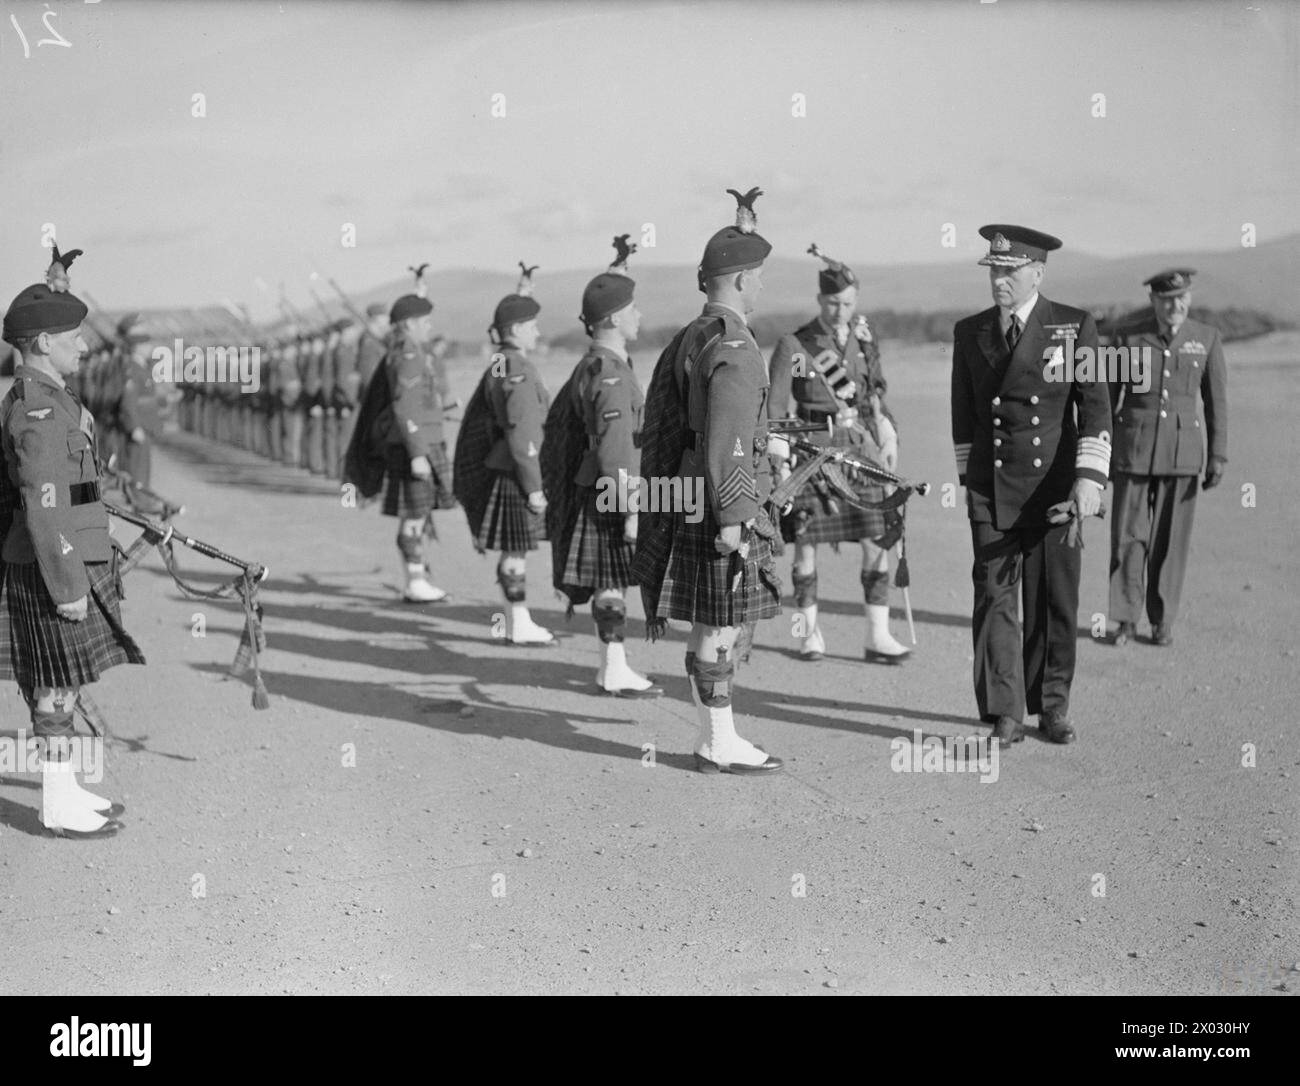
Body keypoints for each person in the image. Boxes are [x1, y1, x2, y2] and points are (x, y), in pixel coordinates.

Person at [635, 187, 787, 773]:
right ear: (744, 280)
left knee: (710, 622)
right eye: (761, 275)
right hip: (719, 503)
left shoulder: (692, 336)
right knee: (719, 625)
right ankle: (718, 742)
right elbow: (724, 439)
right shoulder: (737, 346)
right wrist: (736, 519)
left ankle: (714, 737)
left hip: (690, 492)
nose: (763, 285)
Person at [951, 224, 1111, 747]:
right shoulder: (969, 332)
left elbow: (1094, 407)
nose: (998, 280)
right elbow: (964, 416)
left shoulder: (1073, 326)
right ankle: (1005, 709)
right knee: (994, 599)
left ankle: (1052, 706)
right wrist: (969, 481)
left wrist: (1090, 479)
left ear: (1037, 273)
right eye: (994, 270)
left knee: (1052, 600)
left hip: (1054, 489)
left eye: (1009, 271)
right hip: (991, 488)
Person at [0, 274, 142, 838]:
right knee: (53, 685)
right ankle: (56, 803)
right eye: (72, 336)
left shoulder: (53, 400)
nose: (83, 345)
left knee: (63, 683)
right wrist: (67, 584)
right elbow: (43, 504)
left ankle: (65, 789)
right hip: (50, 566)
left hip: (67, 555)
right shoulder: (37, 412)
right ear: (41, 344)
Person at [768, 244, 908, 663]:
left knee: (876, 542)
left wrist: (886, 433)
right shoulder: (797, 347)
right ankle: (809, 634)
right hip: (814, 453)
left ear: (856, 301)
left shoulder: (865, 342)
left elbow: (874, 397)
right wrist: (779, 459)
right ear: (819, 300)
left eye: (847, 303)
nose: (839, 311)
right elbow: (778, 408)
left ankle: (877, 636)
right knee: (807, 546)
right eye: (832, 302)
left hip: (860, 454)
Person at [542, 236, 662, 696]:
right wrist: (632, 508)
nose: (639, 315)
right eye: (632, 308)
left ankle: (612, 664)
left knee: (608, 581)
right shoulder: (610, 374)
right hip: (611, 491)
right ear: (613, 318)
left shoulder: (595, 364)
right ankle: (612, 668)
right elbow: (614, 449)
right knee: (611, 580)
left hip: (598, 488)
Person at [1106, 269, 1228, 647]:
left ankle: (1162, 620)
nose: (1175, 305)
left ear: (1189, 299)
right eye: (1166, 299)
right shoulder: (1125, 336)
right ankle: (1125, 618)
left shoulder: (1206, 338)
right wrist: (1100, 452)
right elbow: (1107, 399)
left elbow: (1216, 401)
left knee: (1171, 540)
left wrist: (1218, 454)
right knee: (1129, 535)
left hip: (1183, 452)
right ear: (1153, 301)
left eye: (1181, 298)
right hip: (1133, 449)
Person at [453, 264, 554, 645]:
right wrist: (534, 487)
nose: (538, 331)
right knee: (516, 552)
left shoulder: (502, 361)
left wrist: (522, 293)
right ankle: (519, 622)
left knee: (515, 552)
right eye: (532, 325)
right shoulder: (518, 368)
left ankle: (517, 620)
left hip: (506, 469)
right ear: (515, 331)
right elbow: (522, 434)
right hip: (515, 473)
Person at [381, 294, 453, 602]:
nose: (429, 326)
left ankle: (418, 575)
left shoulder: (409, 349)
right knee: (413, 515)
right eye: (424, 321)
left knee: (418, 515)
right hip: (416, 445)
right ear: (410, 324)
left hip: (421, 440)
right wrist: (418, 453)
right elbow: (405, 407)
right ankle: (414, 580)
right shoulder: (409, 354)